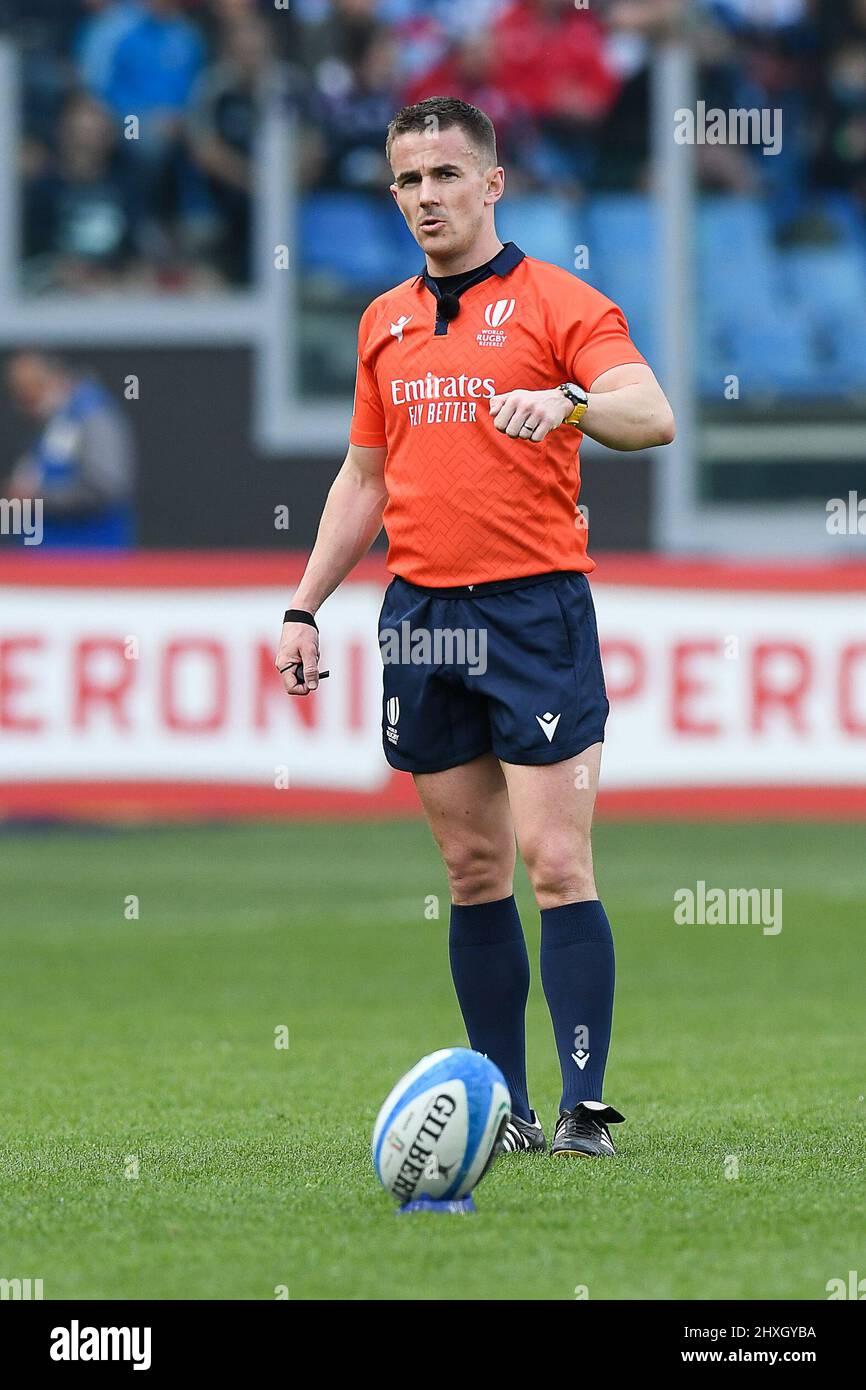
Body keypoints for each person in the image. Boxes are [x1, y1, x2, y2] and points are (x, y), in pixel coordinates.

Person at [274, 96, 674, 1159]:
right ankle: (504, 1106)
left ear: (492, 183)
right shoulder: (383, 321)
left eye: (445, 175)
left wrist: (571, 404)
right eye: (406, 180)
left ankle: (584, 1105)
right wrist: (305, 603)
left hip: (532, 607)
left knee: (553, 859)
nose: (424, 198)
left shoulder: (558, 303)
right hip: (420, 617)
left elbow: (652, 414)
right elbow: (365, 476)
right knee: (469, 869)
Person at [3, 352, 136, 548]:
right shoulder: (53, 421)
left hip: (88, 557)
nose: (27, 407)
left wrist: (38, 497)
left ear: (52, 378)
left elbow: (105, 486)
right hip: (45, 554)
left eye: (31, 395)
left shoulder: (95, 417)